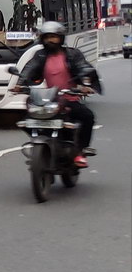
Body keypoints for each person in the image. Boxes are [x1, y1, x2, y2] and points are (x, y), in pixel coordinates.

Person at [13, 21, 98, 167]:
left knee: (88, 116)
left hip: (69, 99)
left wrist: (85, 85)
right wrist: (19, 84)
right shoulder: (40, 55)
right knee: (25, 121)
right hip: (49, 99)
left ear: (61, 38)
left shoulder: (72, 54)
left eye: (54, 37)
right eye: (47, 37)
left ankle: (80, 151)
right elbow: (29, 69)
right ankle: (43, 144)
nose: (50, 40)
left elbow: (83, 68)